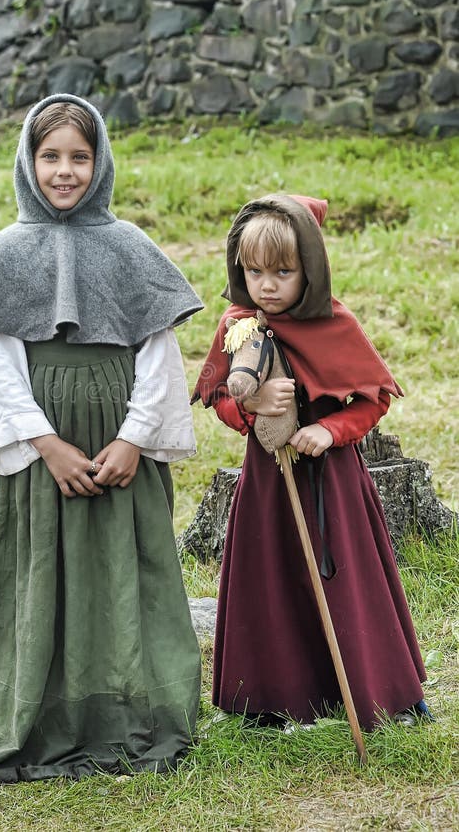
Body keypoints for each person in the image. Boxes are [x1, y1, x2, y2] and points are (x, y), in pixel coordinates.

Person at [0, 93, 203, 783]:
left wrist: (131, 440)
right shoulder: (4, 253)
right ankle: (38, 711)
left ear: (101, 163)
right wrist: (45, 444)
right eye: (50, 156)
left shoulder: (130, 247)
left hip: (118, 445)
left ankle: (132, 715)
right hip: (47, 455)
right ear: (29, 164)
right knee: (43, 578)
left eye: (79, 157)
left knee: (130, 577)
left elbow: (158, 357)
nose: (65, 171)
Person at [192, 193, 431, 731]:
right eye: (254, 271)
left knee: (347, 580)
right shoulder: (238, 326)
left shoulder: (334, 324)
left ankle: (382, 691)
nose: (267, 285)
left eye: (283, 271)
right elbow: (218, 398)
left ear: (312, 270)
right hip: (268, 483)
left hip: (333, 485)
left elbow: (373, 400)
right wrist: (250, 407)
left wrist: (329, 428)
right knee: (271, 578)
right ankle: (275, 698)